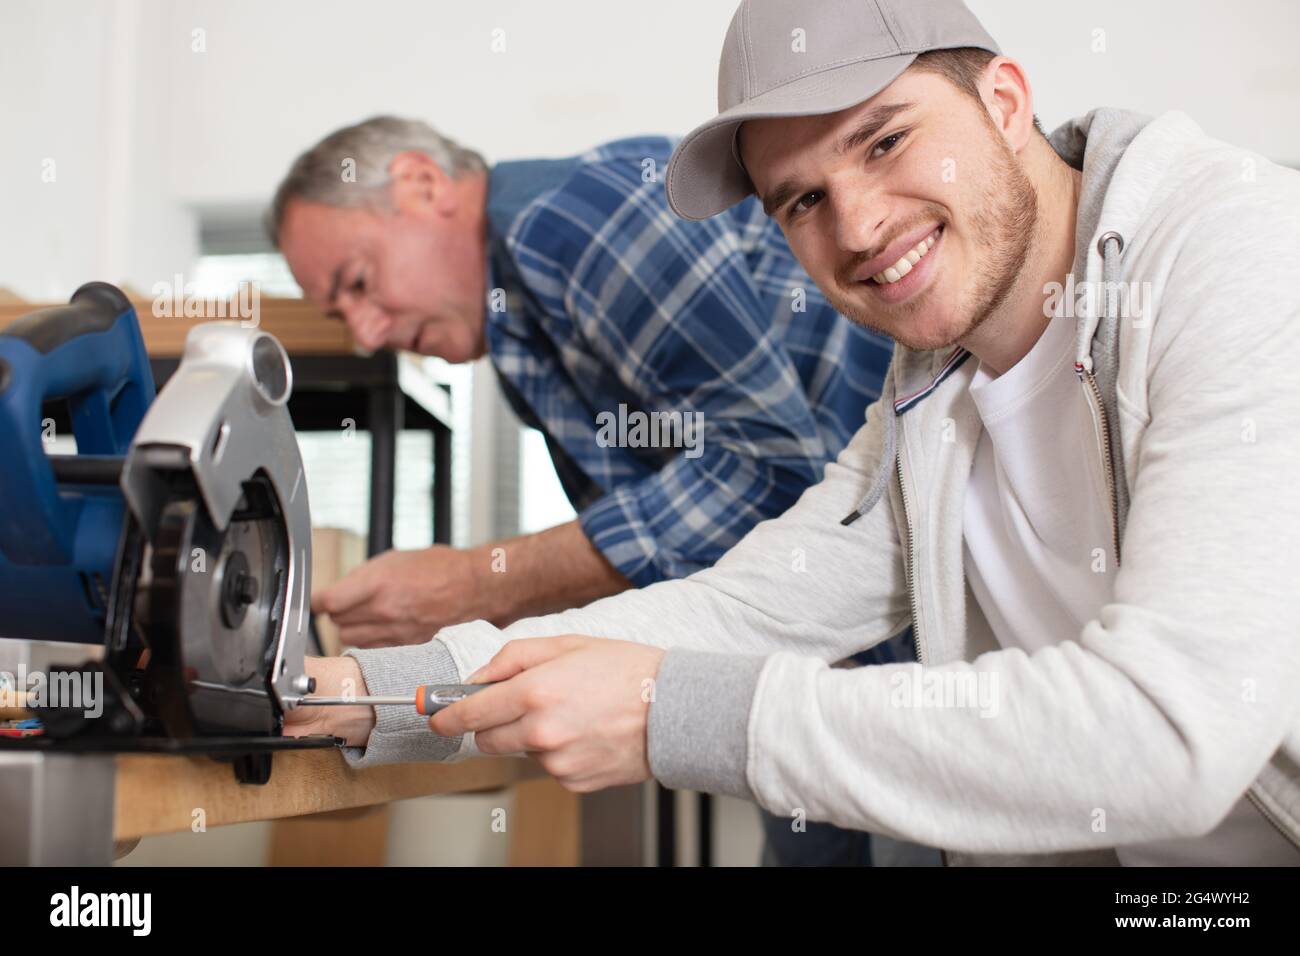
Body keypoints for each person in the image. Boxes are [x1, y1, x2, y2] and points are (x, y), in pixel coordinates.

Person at [288, 0, 1300, 864]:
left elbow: (1169, 731)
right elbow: (746, 609)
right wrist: (377, 690)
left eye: (885, 140)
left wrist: (674, 712)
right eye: (803, 199)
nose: (855, 228)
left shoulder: (1237, 251)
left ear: (1004, 100)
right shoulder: (927, 387)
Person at [269, 119, 913, 864]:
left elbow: (769, 476)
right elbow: (681, 565)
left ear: (422, 184)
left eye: (358, 283)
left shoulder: (576, 219)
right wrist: (396, 672)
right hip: (812, 661)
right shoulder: (520, 333)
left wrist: (477, 582)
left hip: (906, 652)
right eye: (340, 313)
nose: (367, 335)